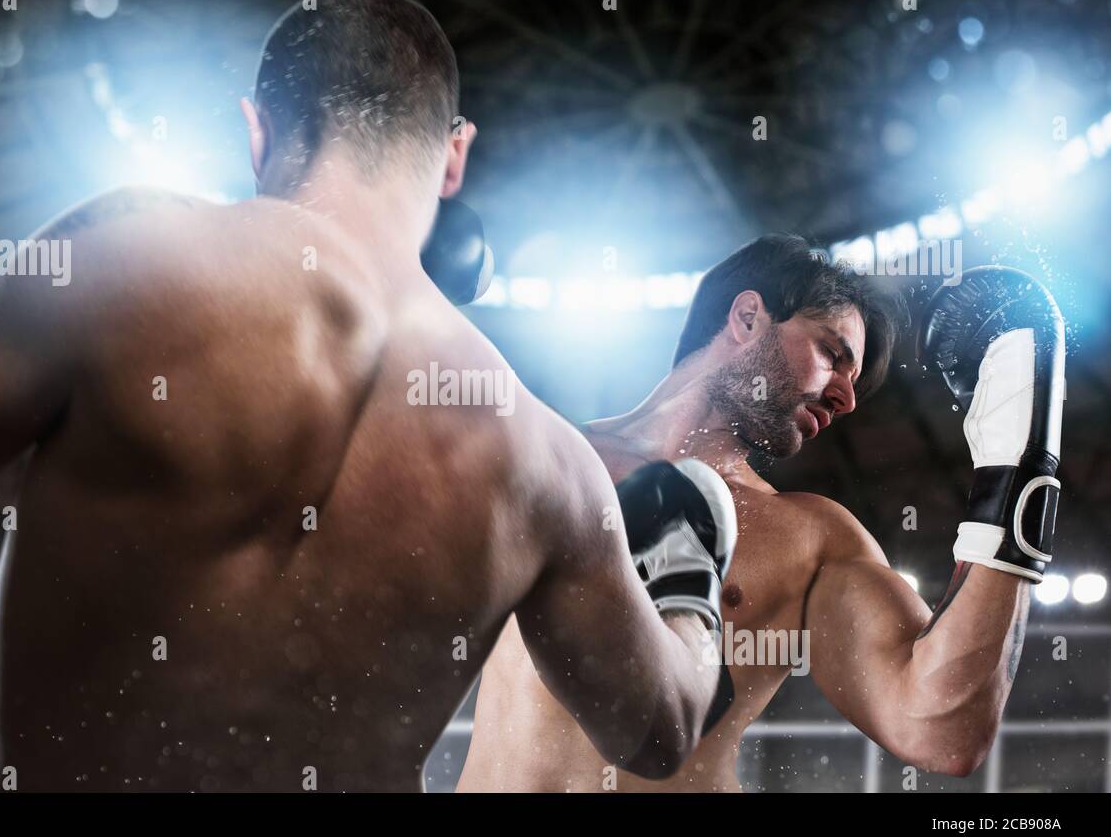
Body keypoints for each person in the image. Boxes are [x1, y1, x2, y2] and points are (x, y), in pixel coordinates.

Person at [0, 0, 727, 792]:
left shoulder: (131, 260)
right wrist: (690, 571)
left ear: (258, 131)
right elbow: (659, 730)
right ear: (455, 157)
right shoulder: (548, 463)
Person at [457, 237, 1066, 792]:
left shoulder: (811, 538)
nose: (846, 398)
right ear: (748, 317)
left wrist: (1015, 468)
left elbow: (940, 729)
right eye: (833, 354)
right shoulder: (538, 458)